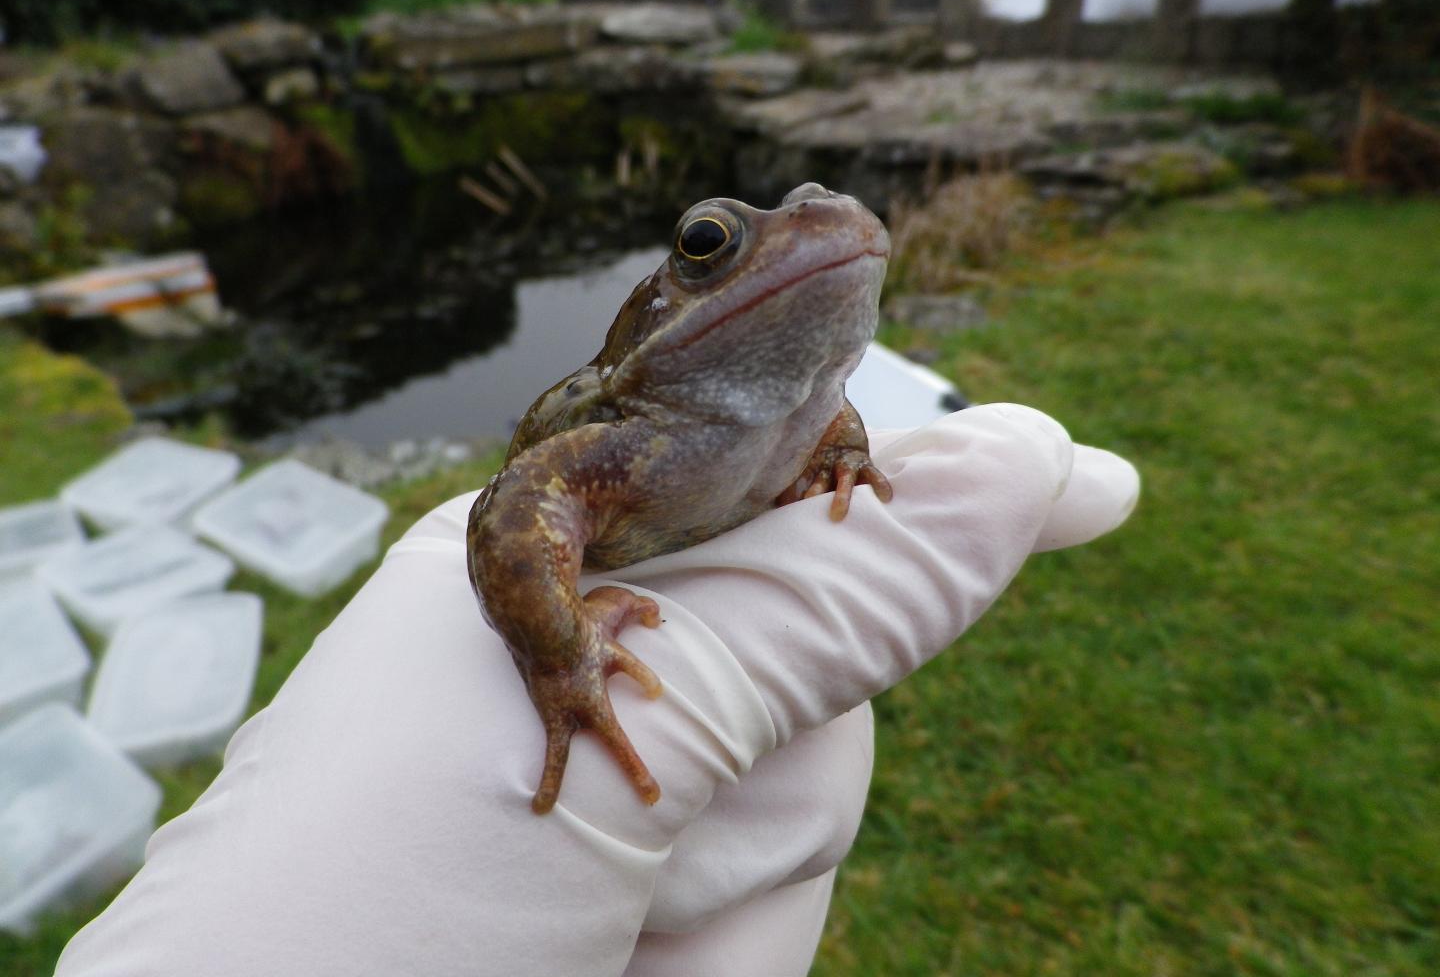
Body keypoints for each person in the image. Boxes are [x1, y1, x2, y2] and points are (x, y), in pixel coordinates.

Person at [56, 405, 1138, 976]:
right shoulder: (633, 416)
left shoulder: (809, 394)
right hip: (594, 566)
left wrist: (844, 450)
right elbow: (525, 497)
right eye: (711, 246)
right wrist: (563, 654)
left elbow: (831, 411)